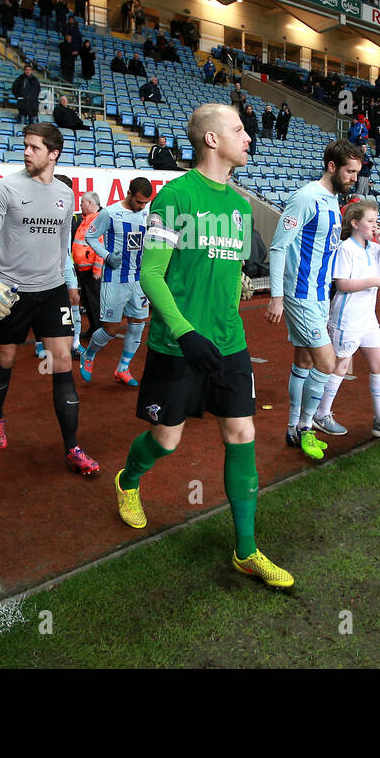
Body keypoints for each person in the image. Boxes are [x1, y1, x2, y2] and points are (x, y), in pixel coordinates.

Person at [115, 103, 293, 588]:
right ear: (212, 140)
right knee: (166, 441)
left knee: (242, 435)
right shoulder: (175, 197)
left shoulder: (239, 206)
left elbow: (229, 268)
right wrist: (185, 331)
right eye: (238, 129)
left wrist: (239, 287)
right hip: (179, 346)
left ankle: (247, 550)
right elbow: (150, 273)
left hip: (229, 342)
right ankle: (129, 479)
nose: (248, 136)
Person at [0, 123, 99, 476]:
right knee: (7, 357)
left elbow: (63, 245)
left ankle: (72, 448)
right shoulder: (4, 188)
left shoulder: (65, 194)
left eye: (33, 147)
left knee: (63, 364)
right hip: (10, 292)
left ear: (53, 154)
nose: (26, 152)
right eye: (25, 146)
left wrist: (69, 280)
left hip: (51, 291)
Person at [266, 139, 364, 460]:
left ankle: (293, 427)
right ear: (332, 167)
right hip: (302, 293)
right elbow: (279, 246)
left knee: (305, 362)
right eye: (350, 171)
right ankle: (308, 427)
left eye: (357, 172)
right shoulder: (307, 198)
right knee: (328, 362)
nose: (354, 177)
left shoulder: (332, 200)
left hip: (320, 294)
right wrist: (277, 297)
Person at [309, 200, 380, 440]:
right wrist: (375, 281)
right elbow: (342, 284)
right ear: (355, 223)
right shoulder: (346, 249)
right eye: (370, 221)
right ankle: (320, 414)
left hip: (367, 319)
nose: (375, 226)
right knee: (340, 366)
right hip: (347, 318)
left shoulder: (374, 248)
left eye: (376, 221)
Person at [80, 177, 154, 387]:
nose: (142, 206)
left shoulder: (146, 214)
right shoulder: (109, 213)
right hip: (115, 279)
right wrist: (106, 255)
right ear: (129, 193)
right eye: (139, 202)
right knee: (111, 330)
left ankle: (122, 368)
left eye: (145, 203)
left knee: (138, 324)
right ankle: (89, 354)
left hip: (138, 279)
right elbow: (91, 237)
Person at [70, 191, 104, 344]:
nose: (80, 205)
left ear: (90, 203)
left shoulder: (97, 220)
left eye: (82, 202)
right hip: (83, 269)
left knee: (94, 301)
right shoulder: (87, 219)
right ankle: (93, 328)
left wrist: (97, 269)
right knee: (88, 301)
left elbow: (100, 245)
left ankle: (98, 331)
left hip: (91, 270)